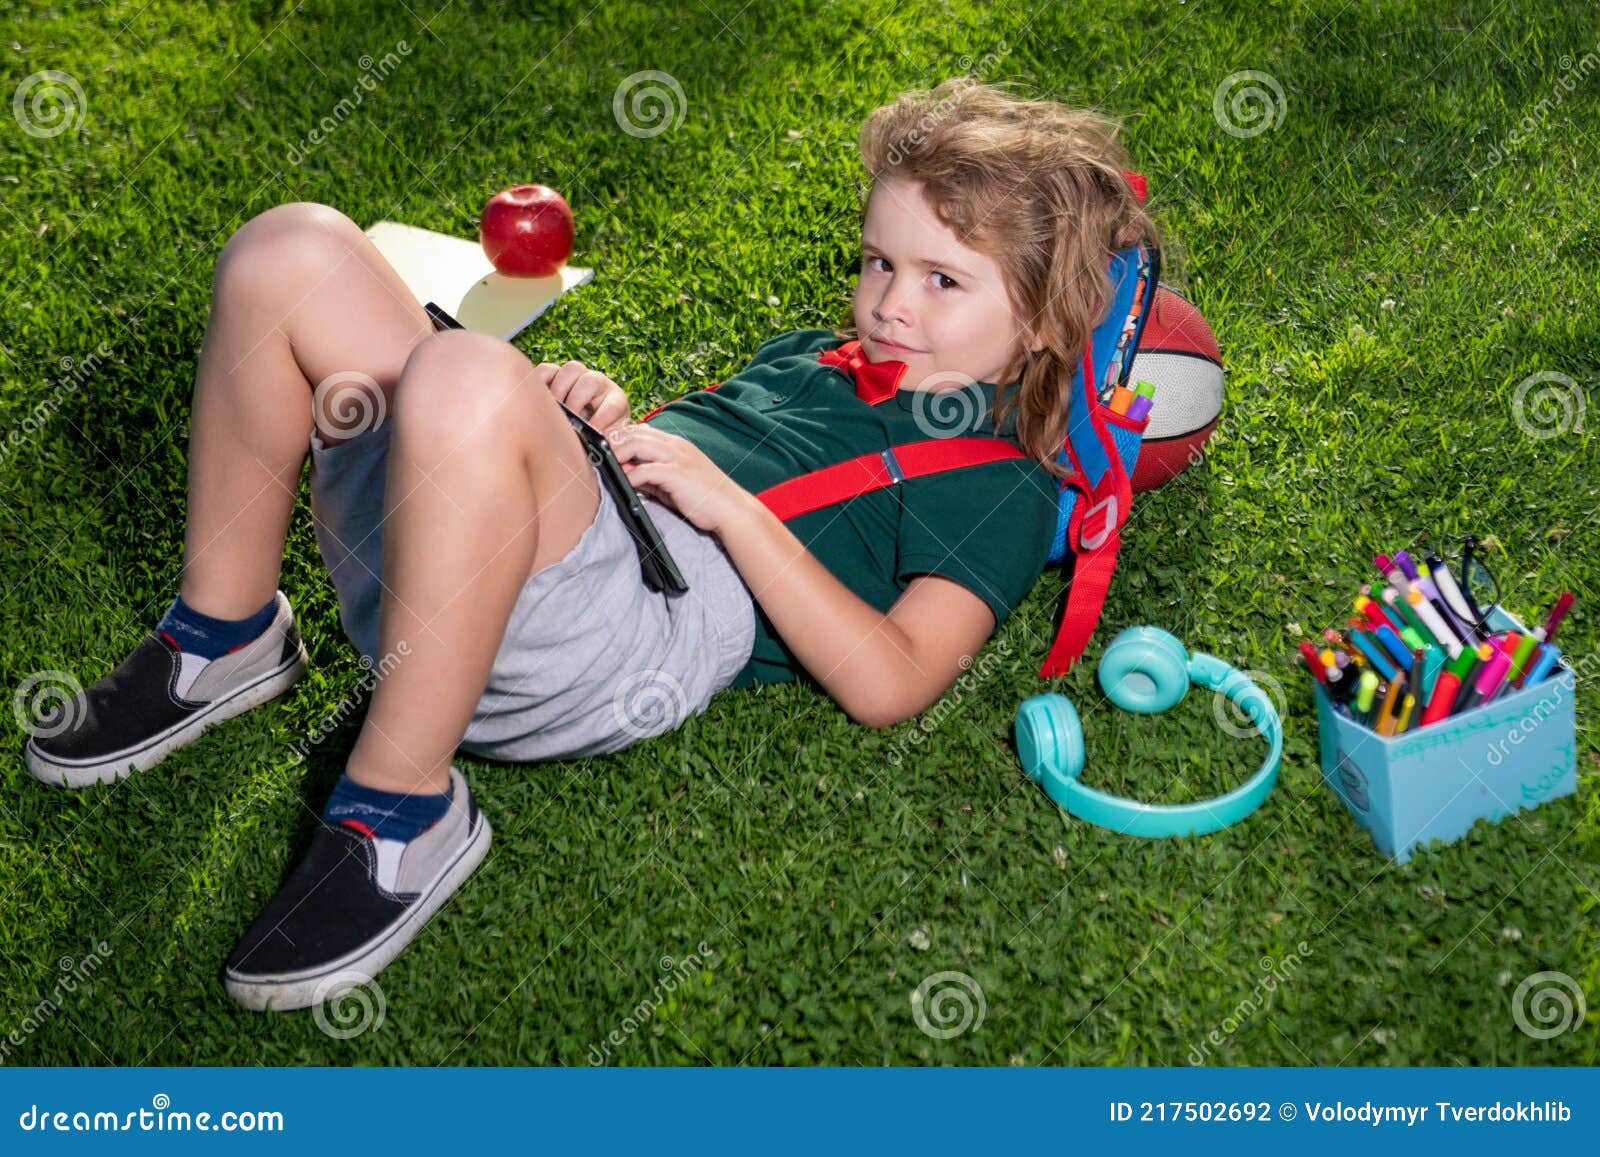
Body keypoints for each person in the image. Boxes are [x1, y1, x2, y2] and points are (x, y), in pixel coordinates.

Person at [21, 77, 1162, 1010]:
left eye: (940, 281)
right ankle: (226, 631)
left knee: (468, 370)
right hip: (532, 553)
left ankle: (400, 811)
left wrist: (727, 506)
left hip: (629, 639)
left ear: (1042, 325)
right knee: (290, 250)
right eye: (876, 261)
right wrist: (596, 422)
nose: (886, 303)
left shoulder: (997, 481)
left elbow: (894, 679)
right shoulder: (817, 355)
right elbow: (660, 466)